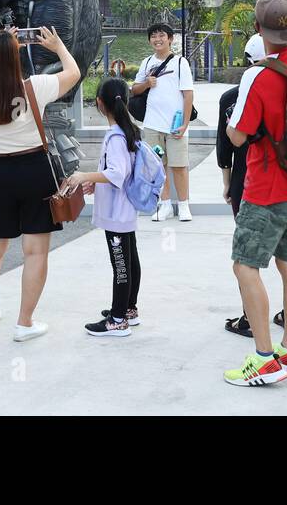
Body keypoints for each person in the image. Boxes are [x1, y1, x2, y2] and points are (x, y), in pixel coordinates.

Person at [223, 0, 287, 386]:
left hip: (266, 188)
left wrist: (230, 121)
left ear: (258, 32)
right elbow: (282, 19)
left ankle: (263, 358)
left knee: (245, 265)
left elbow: (239, 138)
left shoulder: (257, 78)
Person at [0, 25, 81, 343]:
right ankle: (24, 322)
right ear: (16, 56)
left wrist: (0, 43)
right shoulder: (37, 86)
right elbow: (73, 72)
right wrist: (58, 46)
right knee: (35, 252)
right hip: (34, 170)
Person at [63, 77, 142, 338]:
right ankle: (128, 309)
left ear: (99, 103)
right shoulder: (126, 131)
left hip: (116, 213)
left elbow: (117, 173)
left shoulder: (116, 136)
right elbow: (118, 171)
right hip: (124, 210)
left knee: (120, 264)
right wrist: (97, 183)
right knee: (129, 260)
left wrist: (84, 176)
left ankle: (118, 320)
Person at [218, 34, 263, 337]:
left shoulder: (232, 98)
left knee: (246, 259)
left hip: (245, 182)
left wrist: (227, 185)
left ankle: (249, 319)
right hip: (284, 183)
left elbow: (227, 148)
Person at [132, 24, 195, 222]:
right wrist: (146, 84)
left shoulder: (180, 62)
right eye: (153, 36)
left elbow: (188, 94)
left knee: (179, 166)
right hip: (152, 124)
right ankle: (165, 204)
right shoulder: (146, 62)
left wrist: (185, 124)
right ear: (149, 40)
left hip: (175, 125)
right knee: (157, 165)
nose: (157, 39)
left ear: (170, 39)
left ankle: (184, 205)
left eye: (161, 36)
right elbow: (134, 89)